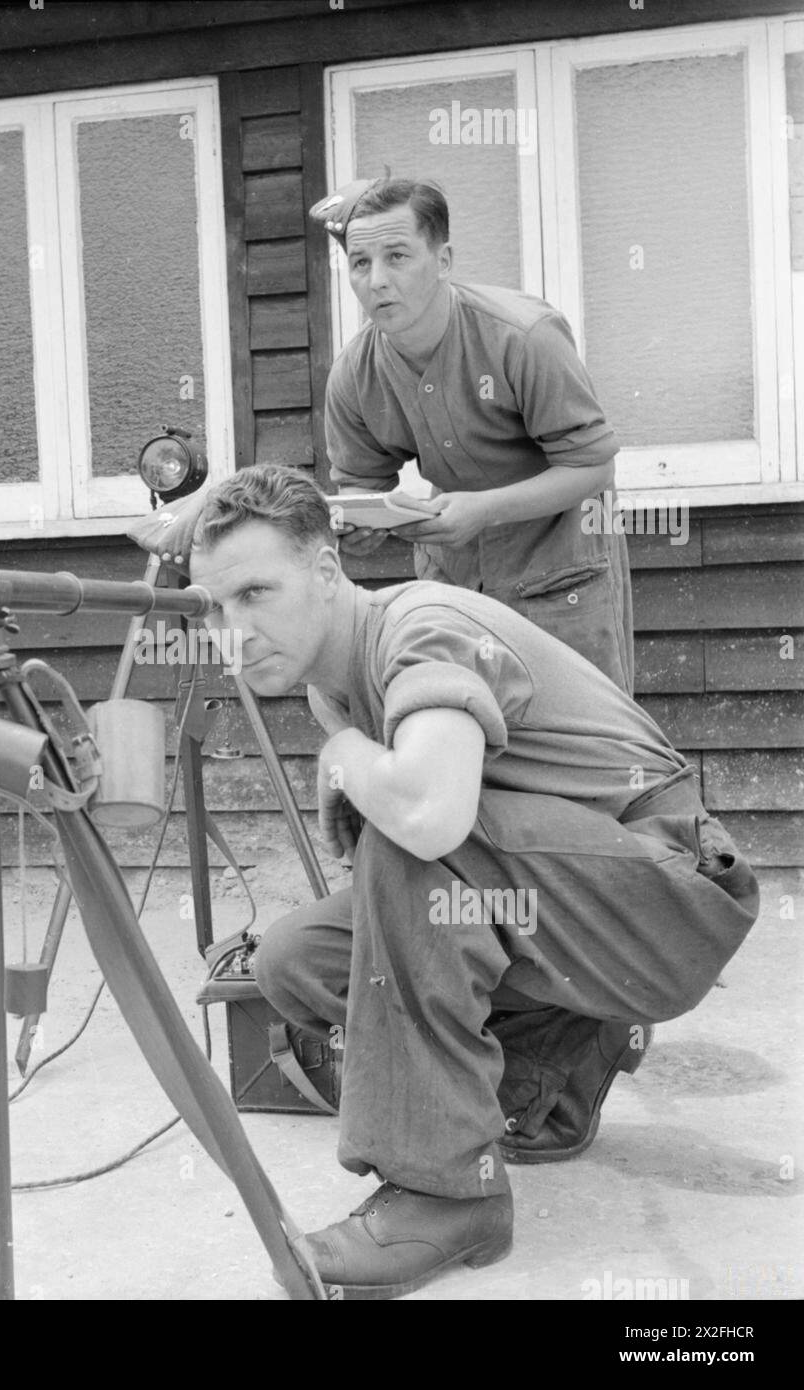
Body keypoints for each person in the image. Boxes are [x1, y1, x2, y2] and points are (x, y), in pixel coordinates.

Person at [187, 463, 757, 1299]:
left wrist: (347, 760)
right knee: (293, 960)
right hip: (577, 906)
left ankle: (446, 1193)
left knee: (412, 842)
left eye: (255, 594)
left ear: (324, 570)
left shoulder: (421, 626)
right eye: (211, 608)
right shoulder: (331, 682)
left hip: (673, 896)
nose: (229, 632)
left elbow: (431, 820)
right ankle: (553, 1070)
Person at [312, 176, 635, 695]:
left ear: (443, 261)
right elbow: (358, 486)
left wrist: (483, 510)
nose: (376, 281)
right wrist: (363, 524)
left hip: (561, 579)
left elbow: (593, 466)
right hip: (453, 587)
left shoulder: (524, 337)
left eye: (397, 256)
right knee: (464, 743)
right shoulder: (353, 376)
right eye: (360, 262)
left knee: (589, 745)